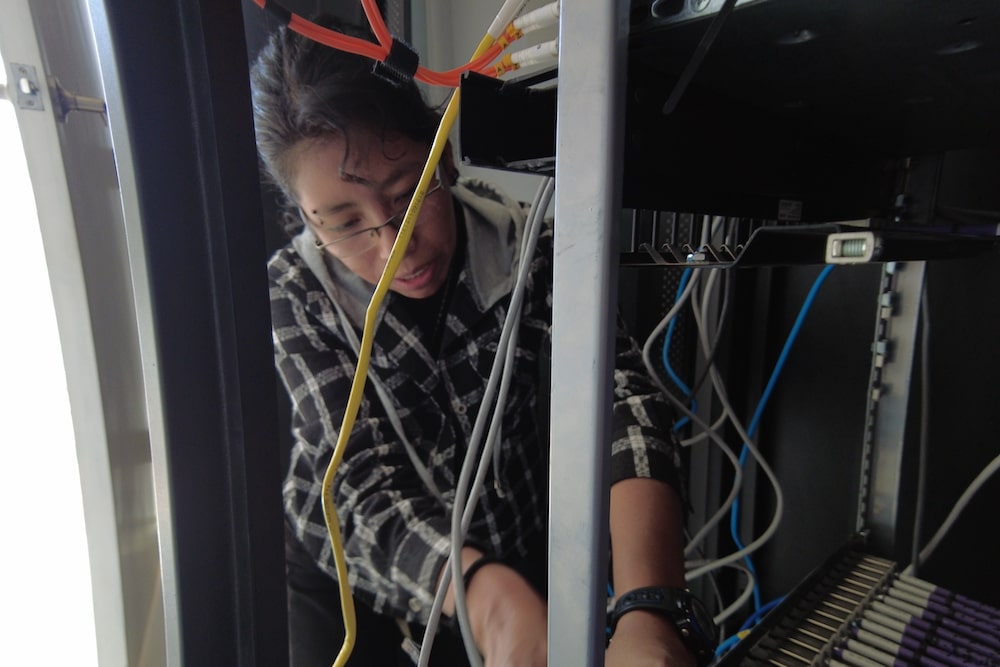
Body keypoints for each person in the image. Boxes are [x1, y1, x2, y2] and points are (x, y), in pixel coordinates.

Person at [251, 15, 700, 667]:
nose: (393, 244)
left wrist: (651, 607)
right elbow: (357, 483)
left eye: (408, 195)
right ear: (301, 216)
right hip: (362, 576)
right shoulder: (296, 293)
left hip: (511, 549)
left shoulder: (527, 247)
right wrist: (489, 601)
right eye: (345, 222)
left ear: (447, 155)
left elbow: (620, 402)